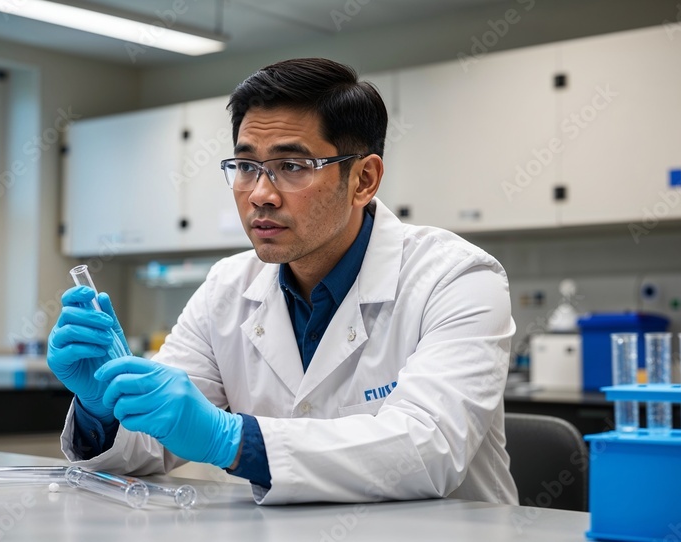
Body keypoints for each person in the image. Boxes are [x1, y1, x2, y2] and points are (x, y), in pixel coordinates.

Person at [47, 58, 518, 505]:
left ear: (363, 180)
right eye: (246, 166)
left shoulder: (457, 278)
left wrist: (232, 440)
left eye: (292, 167)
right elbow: (153, 443)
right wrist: (104, 406)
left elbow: (430, 449)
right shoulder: (226, 287)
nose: (260, 195)